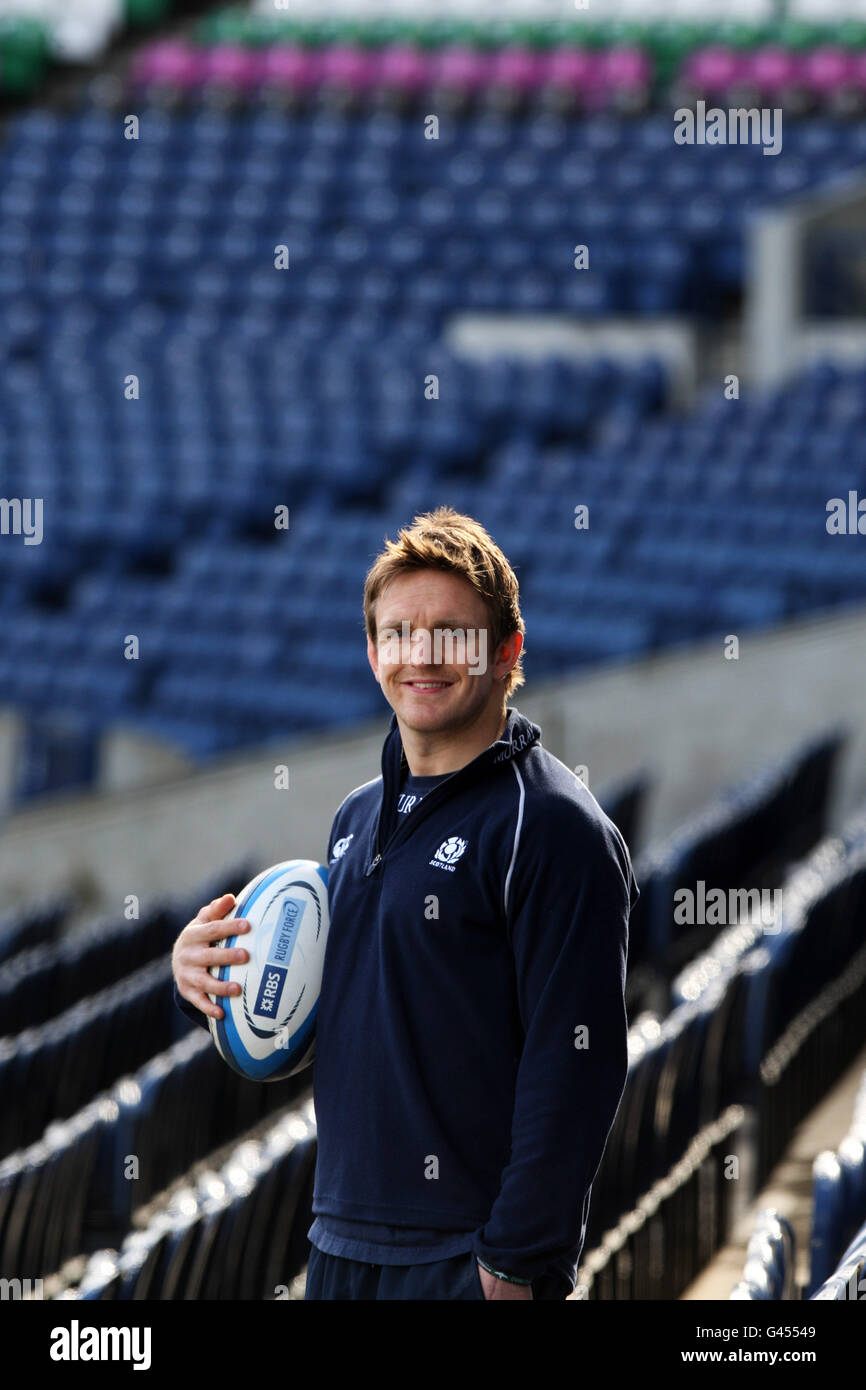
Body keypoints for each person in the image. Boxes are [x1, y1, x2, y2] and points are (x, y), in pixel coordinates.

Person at [172, 506, 638, 1301]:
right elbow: (332, 1013)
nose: (420, 655)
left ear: (506, 653)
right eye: (397, 633)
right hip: (340, 1240)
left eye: (451, 634)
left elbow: (580, 1059)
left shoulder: (551, 824)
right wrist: (205, 980)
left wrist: (514, 1263)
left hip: (467, 1258)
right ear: (372, 653)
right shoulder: (357, 818)